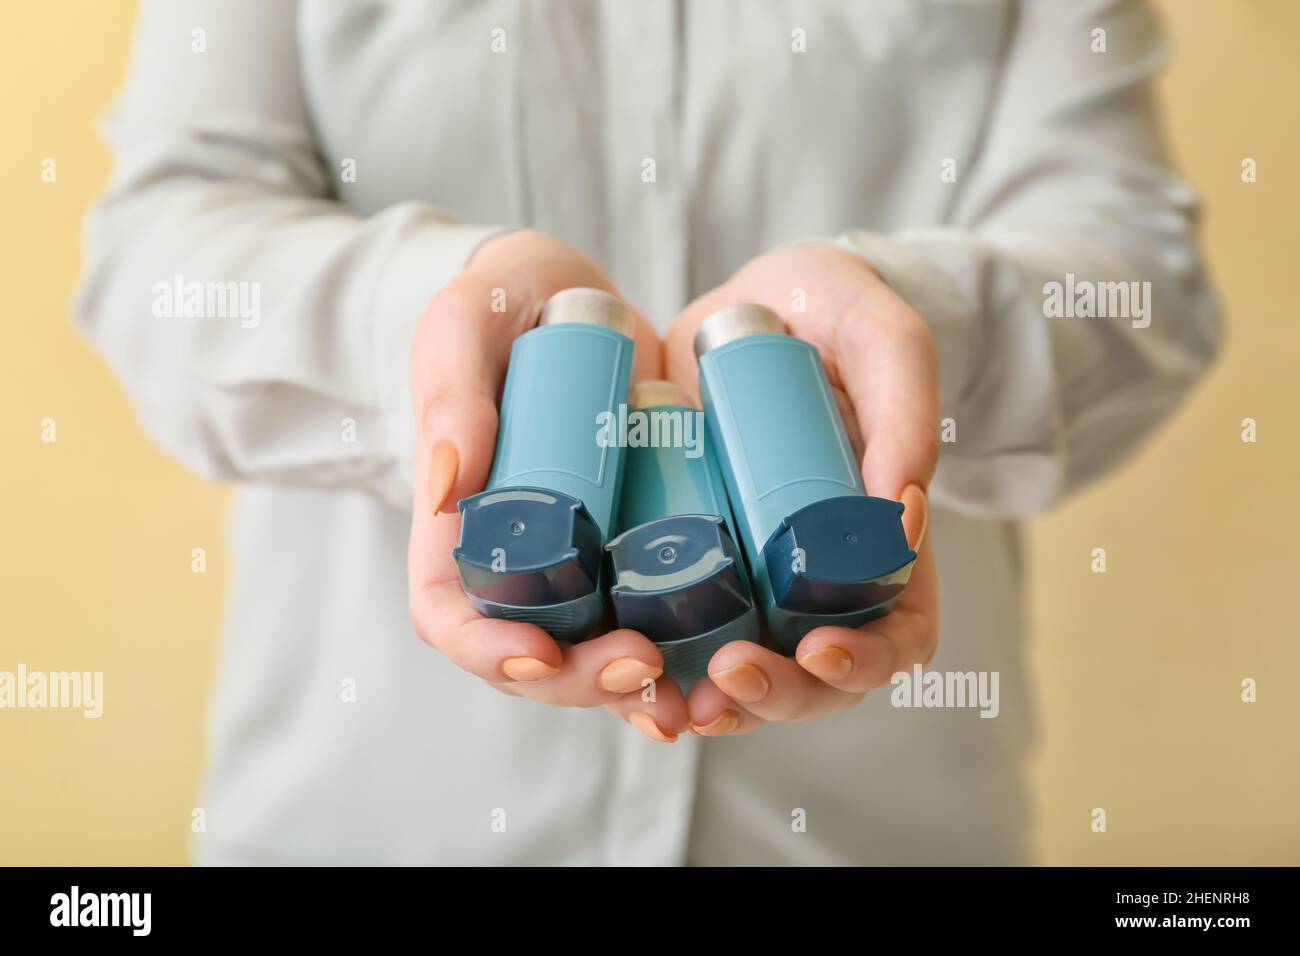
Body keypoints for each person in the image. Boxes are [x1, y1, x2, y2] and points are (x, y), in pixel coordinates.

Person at [75, 0, 1220, 865]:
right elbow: (155, 254)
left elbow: (1141, 275)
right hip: (368, 815)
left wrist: (906, 319)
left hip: (876, 823)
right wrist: (434, 330)